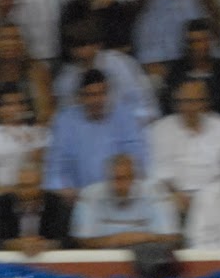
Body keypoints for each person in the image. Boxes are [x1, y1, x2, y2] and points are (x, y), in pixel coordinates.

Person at [43, 69, 149, 201]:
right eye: (90, 95)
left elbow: (137, 158)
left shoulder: (124, 116)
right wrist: (67, 191)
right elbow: (55, 168)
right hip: (79, 198)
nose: (97, 100)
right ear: (80, 98)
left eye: (101, 94)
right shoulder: (65, 121)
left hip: (122, 194)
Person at [148, 79, 220, 217]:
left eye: (196, 101)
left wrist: (209, 197)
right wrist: (176, 193)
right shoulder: (159, 130)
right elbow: (156, 170)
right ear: (176, 103)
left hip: (218, 197)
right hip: (175, 198)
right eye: (185, 101)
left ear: (206, 102)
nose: (191, 107)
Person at [71, 153, 180, 249]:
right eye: (114, 179)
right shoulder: (90, 195)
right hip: (104, 257)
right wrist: (121, 239)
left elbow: (170, 236)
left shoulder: (155, 192)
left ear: (135, 178)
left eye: (125, 178)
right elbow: (83, 240)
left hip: (147, 257)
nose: (119, 186)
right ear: (107, 178)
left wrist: (139, 238)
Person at [0, 161, 71, 253]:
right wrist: (18, 245)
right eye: (21, 186)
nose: (25, 192)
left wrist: (43, 245)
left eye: (30, 186)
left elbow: (65, 240)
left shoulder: (57, 204)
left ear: (41, 186)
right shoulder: (1, 205)